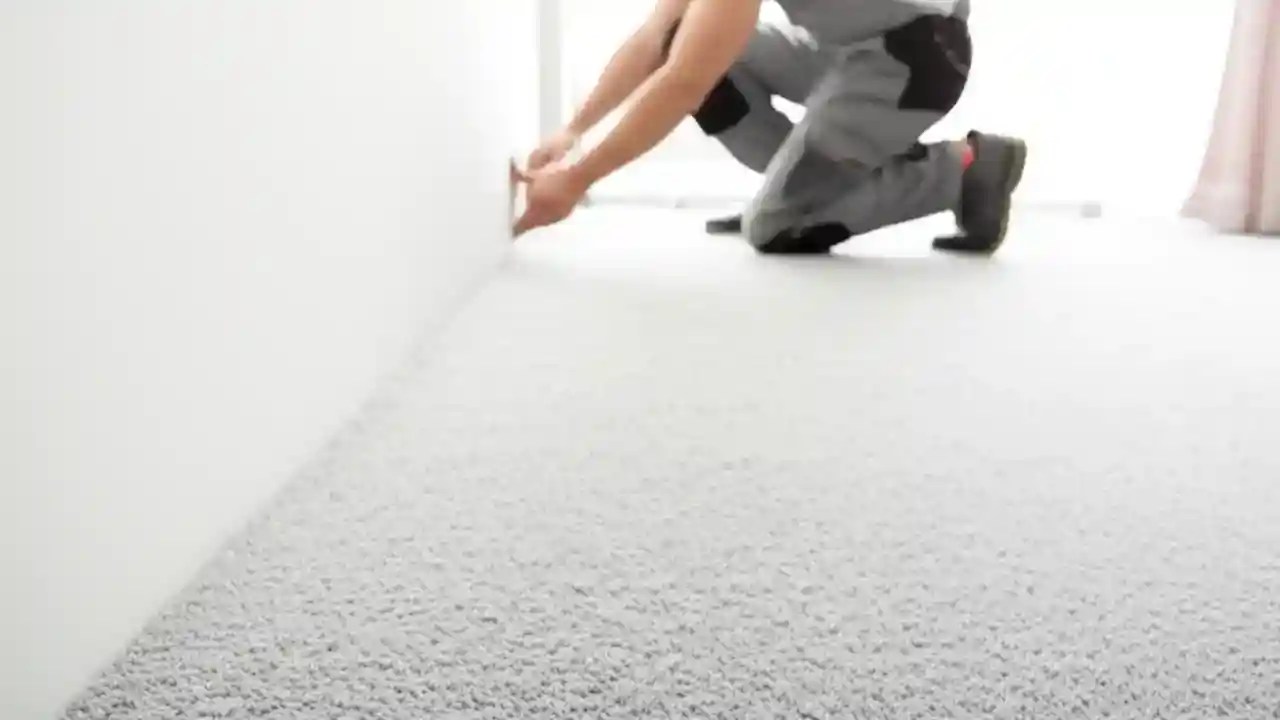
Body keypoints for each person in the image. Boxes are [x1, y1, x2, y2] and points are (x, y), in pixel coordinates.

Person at [515, 0, 1027, 255]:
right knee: (687, 39)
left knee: (775, 229)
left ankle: (961, 171)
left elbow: (684, 81)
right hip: (844, 50)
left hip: (911, 62)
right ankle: (804, 184)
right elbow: (660, 37)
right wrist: (573, 129)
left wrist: (577, 180)